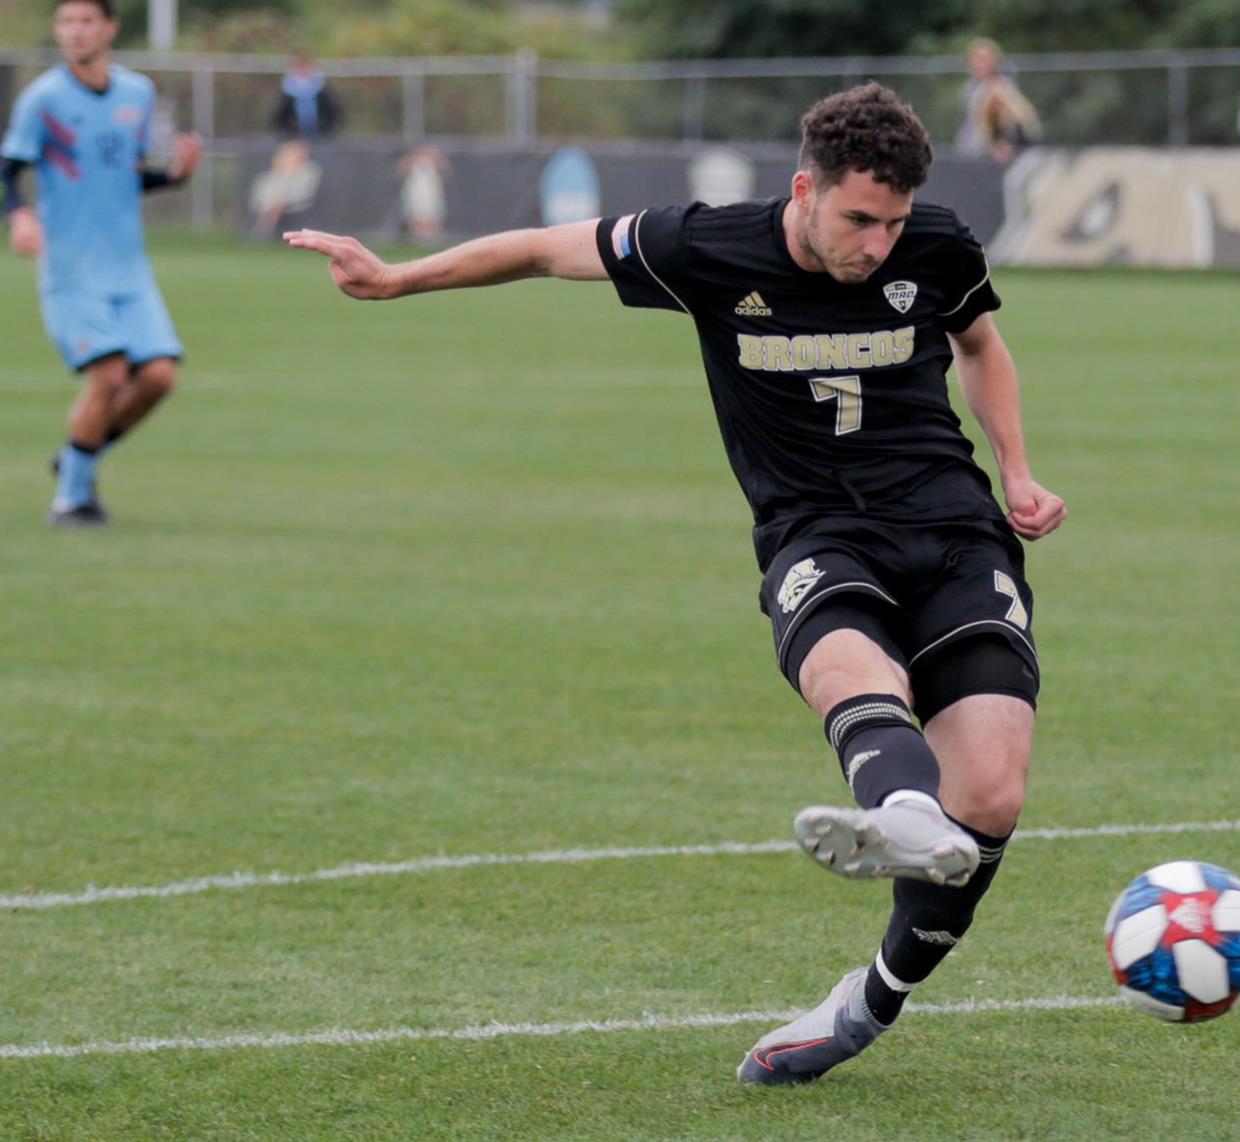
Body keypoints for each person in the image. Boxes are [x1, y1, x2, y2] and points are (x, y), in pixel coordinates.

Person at [286, 83, 1066, 1084]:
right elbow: (537, 247)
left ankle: (871, 996)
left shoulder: (939, 246)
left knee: (993, 794)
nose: (876, 244)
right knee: (845, 667)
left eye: (893, 222)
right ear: (805, 189)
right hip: (815, 531)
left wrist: (1016, 468)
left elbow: (980, 343)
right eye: (857, 219)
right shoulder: (702, 246)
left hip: (953, 527)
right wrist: (395, 280)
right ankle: (904, 807)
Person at [3, 0, 202, 527]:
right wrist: (20, 216)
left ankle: (77, 456)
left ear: (110, 28)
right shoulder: (43, 98)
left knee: (159, 377)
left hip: (128, 269)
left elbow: (126, 175)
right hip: (71, 268)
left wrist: (175, 176)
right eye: (67, 21)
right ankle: (71, 500)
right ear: (58, 30)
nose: (76, 31)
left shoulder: (137, 93)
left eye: (87, 20)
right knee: (110, 373)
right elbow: (10, 169)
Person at [955, 38, 1041, 162]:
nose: (980, 64)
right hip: (969, 150)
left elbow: (1012, 122)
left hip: (990, 153)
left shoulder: (1002, 87)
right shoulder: (970, 87)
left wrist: (1001, 144)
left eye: (984, 60)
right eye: (976, 60)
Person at [273, 52, 341, 140]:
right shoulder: (287, 92)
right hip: (293, 136)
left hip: (320, 135)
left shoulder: (322, 91)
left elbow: (333, 112)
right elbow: (279, 116)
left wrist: (326, 128)